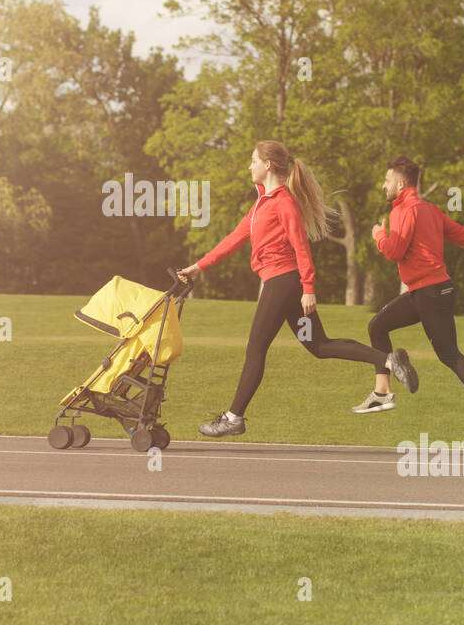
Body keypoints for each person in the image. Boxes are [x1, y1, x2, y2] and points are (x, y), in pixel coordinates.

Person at [177, 140, 413, 437]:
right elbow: (234, 239)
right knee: (320, 346)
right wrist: (197, 267)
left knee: (256, 348)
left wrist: (308, 287)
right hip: (286, 286)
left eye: (253, 160)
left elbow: (301, 246)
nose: (249, 166)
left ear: (268, 165)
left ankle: (234, 417)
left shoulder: (283, 203)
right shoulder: (262, 204)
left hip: (284, 284)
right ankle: (390, 360)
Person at [358, 154, 464, 443]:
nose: (382, 186)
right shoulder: (429, 209)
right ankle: (381, 393)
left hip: (431, 293)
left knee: (449, 354)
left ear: (401, 184)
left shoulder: (401, 211)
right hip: (427, 292)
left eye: (387, 180)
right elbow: (463, 234)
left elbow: (394, 251)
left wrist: (379, 235)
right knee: (377, 326)